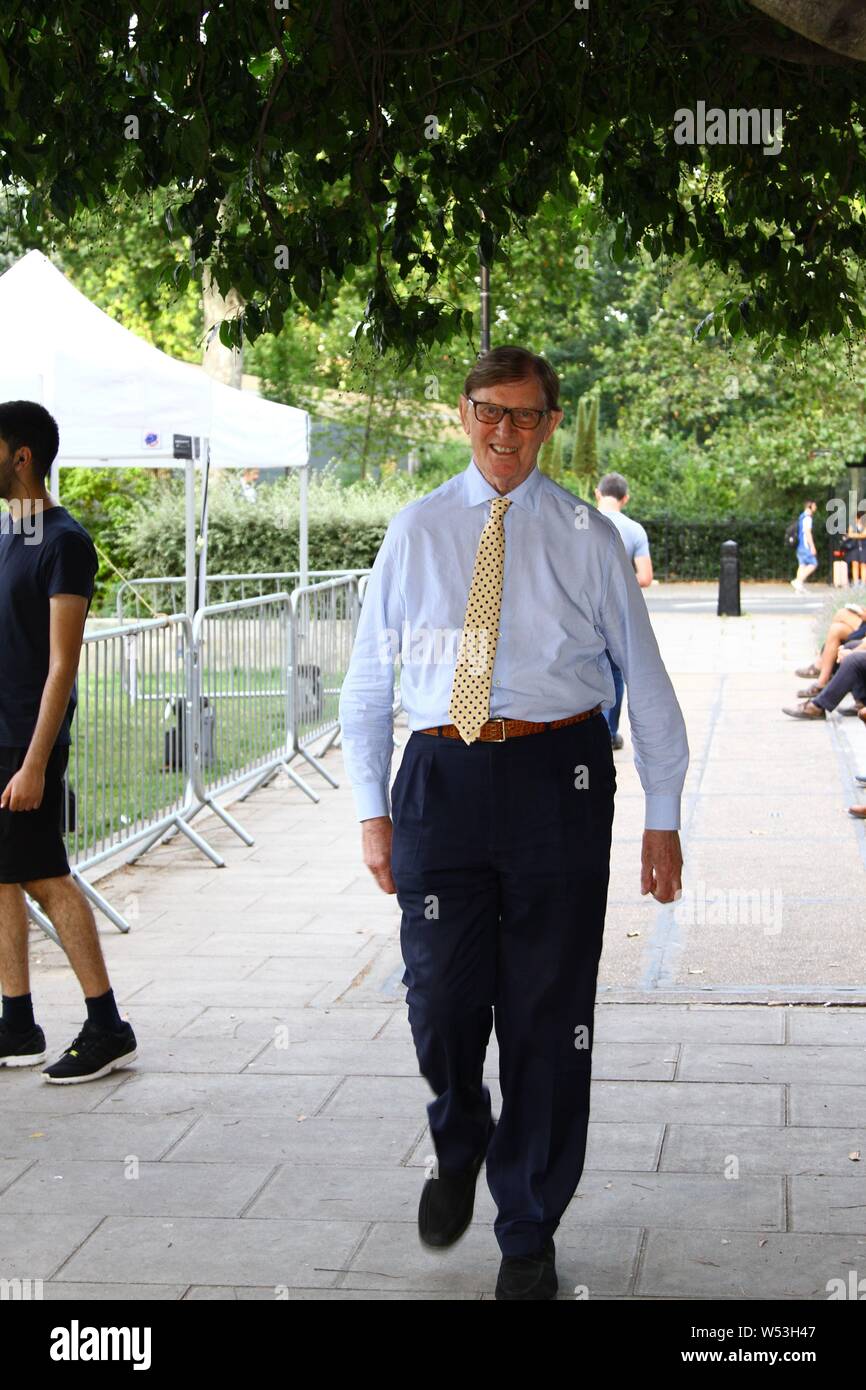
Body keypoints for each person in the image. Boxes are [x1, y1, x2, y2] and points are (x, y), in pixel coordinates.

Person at [338, 346, 689, 1301]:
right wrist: (372, 811)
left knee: (548, 1013)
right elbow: (369, 685)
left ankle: (527, 1227)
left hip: (557, 777)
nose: (506, 431)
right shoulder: (413, 533)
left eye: (527, 416)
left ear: (551, 425)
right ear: (462, 415)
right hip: (440, 780)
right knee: (441, 1001)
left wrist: (664, 815)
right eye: (490, 411)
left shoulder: (589, 537)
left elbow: (648, 687)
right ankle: (461, 1137)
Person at [0, 401, 138, 1083]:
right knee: (2, 878)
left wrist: (31, 763)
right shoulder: (4, 534)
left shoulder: (65, 541)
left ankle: (107, 1023)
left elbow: (62, 664)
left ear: (20, 456)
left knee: (45, 877)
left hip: (29, 743)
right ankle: (16, 1021)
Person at [594, 472, 653, 750]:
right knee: (616, 673)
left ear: (597, 493)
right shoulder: (634, 530)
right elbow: (645, 578)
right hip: (617, 613)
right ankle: (609, 731)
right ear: (625, 498)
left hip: (581, 613)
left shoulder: (576, 522)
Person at [791, 499, 818, 593]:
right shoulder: (807, 518)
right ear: (810, 506)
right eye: (814, 505)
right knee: (813, 564)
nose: (816, 507)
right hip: (805, 546)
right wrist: (812, 546)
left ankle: (798, 588)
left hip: (800, 545)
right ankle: (798, 581)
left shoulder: (801, 517)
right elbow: (807, 533)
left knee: (802, 565)